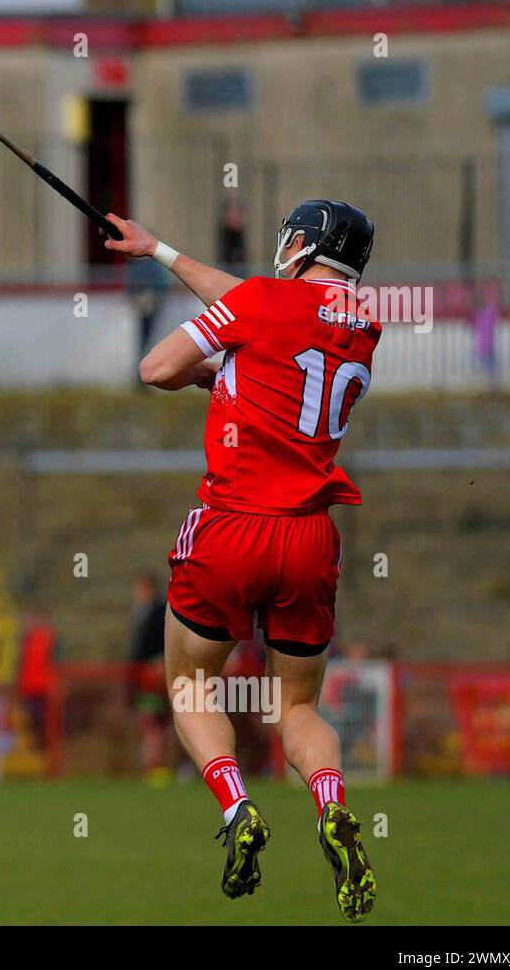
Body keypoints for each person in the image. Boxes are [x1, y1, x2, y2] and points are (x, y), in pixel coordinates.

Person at [104, 198, 380, 922]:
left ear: (303, 244)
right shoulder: (364, 324)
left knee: (190, 684)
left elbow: (156, 367)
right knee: (298, 707)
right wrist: (159, 250)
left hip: (231, 527)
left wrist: (218, 371)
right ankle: (330, 803)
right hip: (311, 537)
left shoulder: (261, 303)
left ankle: (237, 808)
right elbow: (265, 314)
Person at [125, 573, 175, 779]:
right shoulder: (140, 612)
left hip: (151, 677)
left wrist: (160, 661)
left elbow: (162, 641)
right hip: (142, 675)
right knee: (152, 724)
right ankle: (156, 766)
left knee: (151, 723)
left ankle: (156, 767)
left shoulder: (157, 612)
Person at [15, 609, 57, 753]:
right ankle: (41, 746)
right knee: (33, 718)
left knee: (43, 718)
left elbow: (54, 662)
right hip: (29, 686)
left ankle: (48, 747)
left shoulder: (48, 638)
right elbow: (22, 664)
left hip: (43, 686)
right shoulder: (26, 640)